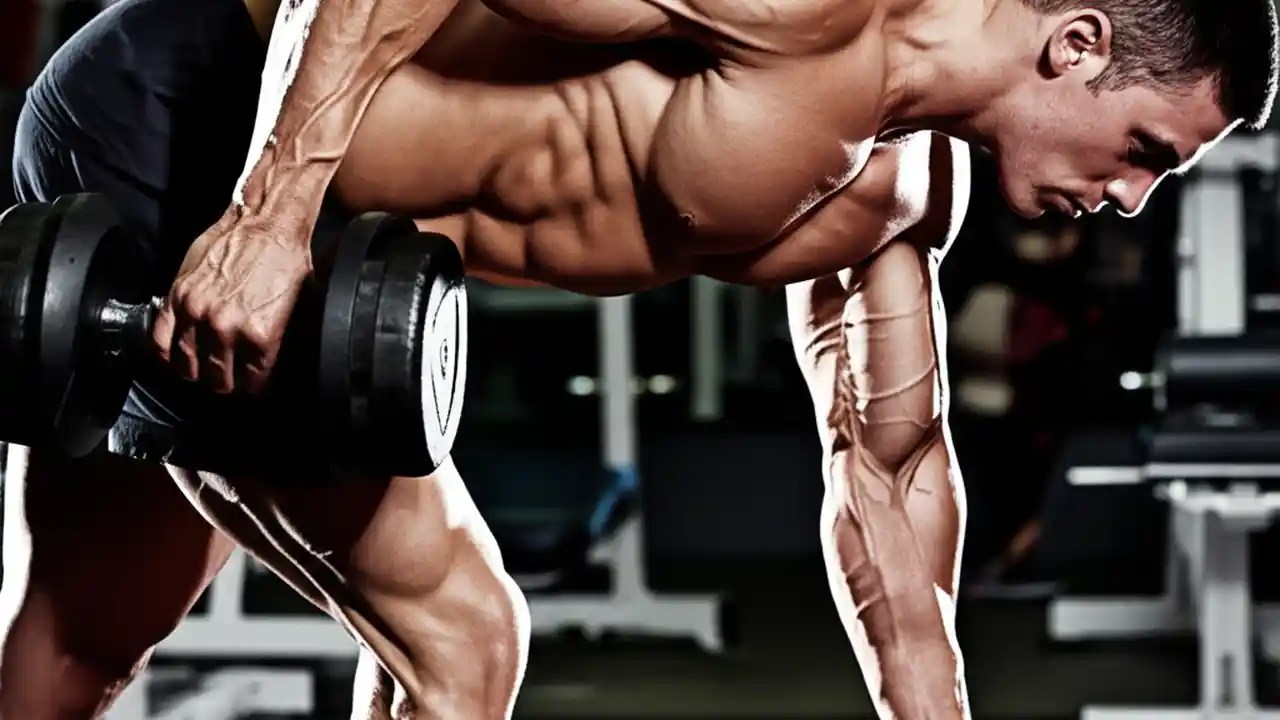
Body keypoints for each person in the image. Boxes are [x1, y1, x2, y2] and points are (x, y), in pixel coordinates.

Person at [2, 0, 1274, 717]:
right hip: (198, 115)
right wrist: (269, 213)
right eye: (1144, 154)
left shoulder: (904, 198)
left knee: (83, 638)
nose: (1126, 201)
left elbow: (885, 467)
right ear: (1078, 43)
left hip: (333, 251)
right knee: (461, 642)